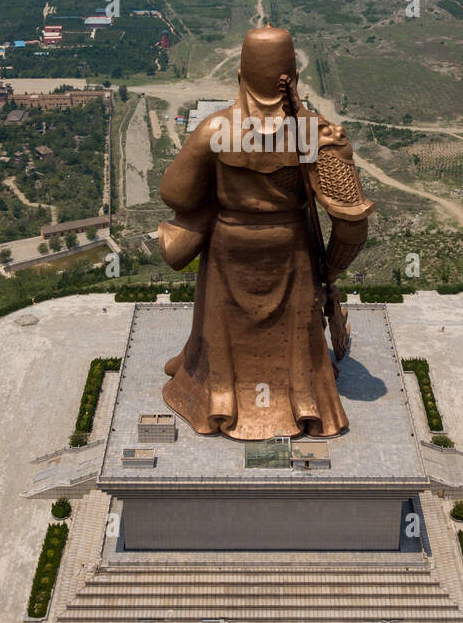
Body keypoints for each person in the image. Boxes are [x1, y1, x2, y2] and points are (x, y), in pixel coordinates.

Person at [157, 25, 372, 440]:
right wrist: (329, 269)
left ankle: (217, 397)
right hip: (291, 250)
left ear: (240, 77)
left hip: (228, 246)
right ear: (293, 78)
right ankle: (302, 401)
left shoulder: (213, 131)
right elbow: (351, 223)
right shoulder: (319, 135)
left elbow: (176, 194)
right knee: (295, 332)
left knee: (221, 328)